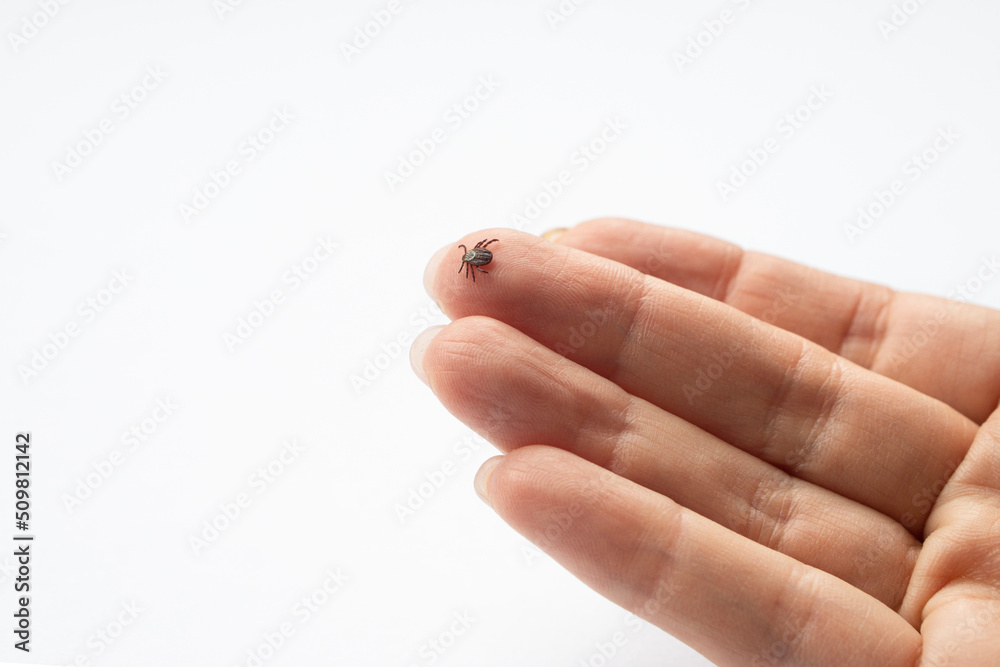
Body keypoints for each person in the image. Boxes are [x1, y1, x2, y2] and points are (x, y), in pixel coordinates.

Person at [410, 217, 1000, 665]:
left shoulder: (476, 258)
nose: (479, 258)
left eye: (480, 259)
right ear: (477, 262)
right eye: (478, 260)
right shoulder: (481, 260)